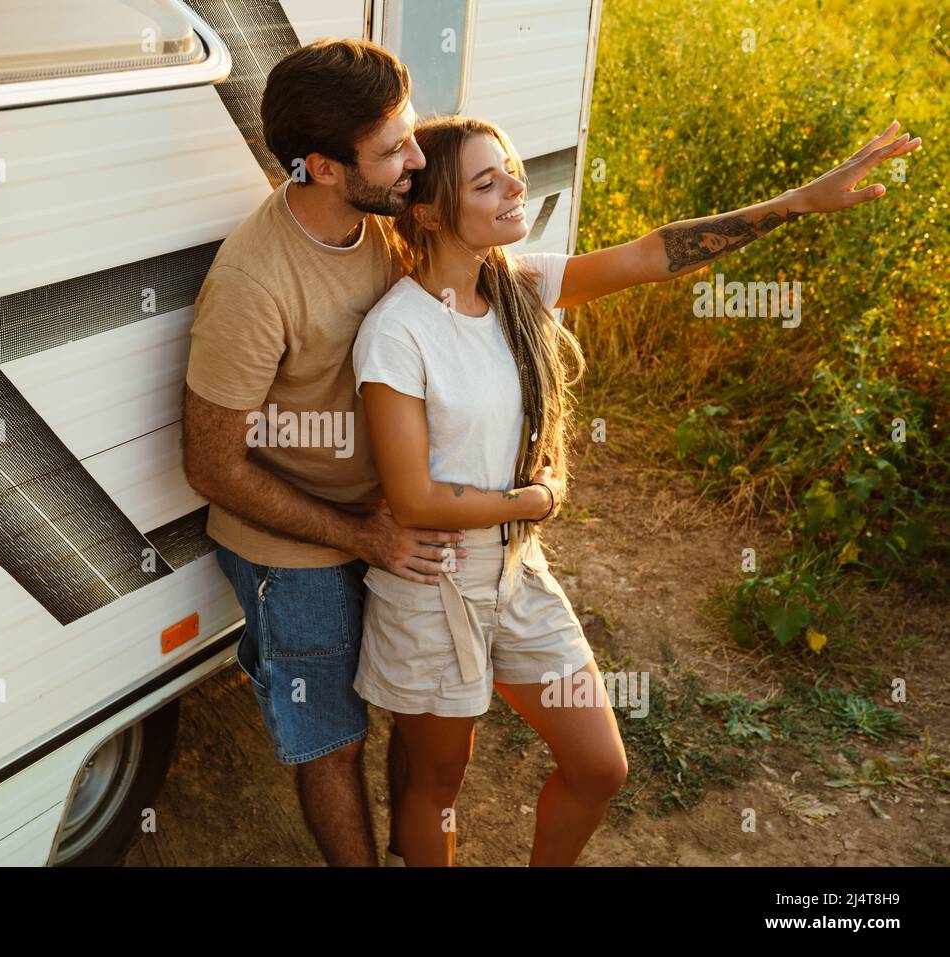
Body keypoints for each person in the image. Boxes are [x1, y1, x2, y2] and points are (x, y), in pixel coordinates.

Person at [353, 115, 921, 866]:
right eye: (486, 182)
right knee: (437, 780)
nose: (514, 187)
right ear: (426, 211)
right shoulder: (396, 331)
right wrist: (534, 502)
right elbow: (416, 497)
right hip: (435, 582)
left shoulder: (518, 286)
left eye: (511, 169)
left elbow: (657, 254)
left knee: (599, 766)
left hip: (519, 573)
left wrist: (800, 201)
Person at [181, 39, 465, 867]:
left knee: (416, 707)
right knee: (332, 740)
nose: (417, 161)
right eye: (393, 150)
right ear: (323, 168)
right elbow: (214, 468)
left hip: (387, 518)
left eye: (409, 135)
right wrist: (362, 536)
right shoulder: (254, 283)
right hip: (294, 551)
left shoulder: (384, 214)